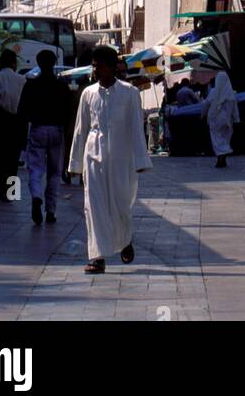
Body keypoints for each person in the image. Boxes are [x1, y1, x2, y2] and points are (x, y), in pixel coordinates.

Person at [68, 44, 151, 274]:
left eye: (101, 66)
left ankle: (125, 240)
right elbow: (81, 129)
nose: (96, 71)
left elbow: (136, 127)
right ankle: (97, 257)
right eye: (94, 66)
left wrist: (141, 160)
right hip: (93, 159)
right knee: (93, 208)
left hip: (121, 160)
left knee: (121, 205)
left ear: (113, 68)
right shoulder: (88, 94)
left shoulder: (130, 93)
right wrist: (75, 164)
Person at [18, 50, 72, 225]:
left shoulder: (31, 85)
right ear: (54, 62)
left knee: (35, 168)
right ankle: (51, 211)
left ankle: (36, 196)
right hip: (57, 130)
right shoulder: (62, 87)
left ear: (38, 62)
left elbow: (22, 112)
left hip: (37, 129)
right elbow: (69, 114)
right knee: (54, 172)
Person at [0, 49, 27, 202]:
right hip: (16, 121)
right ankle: (12, 192)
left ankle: (1, 190)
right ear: (13, 63)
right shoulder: (22, 80)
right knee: (13, 158)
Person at [202, 71, 239, 169]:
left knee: (216, 139)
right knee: (225, 139)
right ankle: (223, 157)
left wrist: (202, 115)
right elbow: (235, 109)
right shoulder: (231, 94)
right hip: (227, 121)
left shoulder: (213, 92)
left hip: (215, 119)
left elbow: (206, 104)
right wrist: (236, 120)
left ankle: (220, 157)